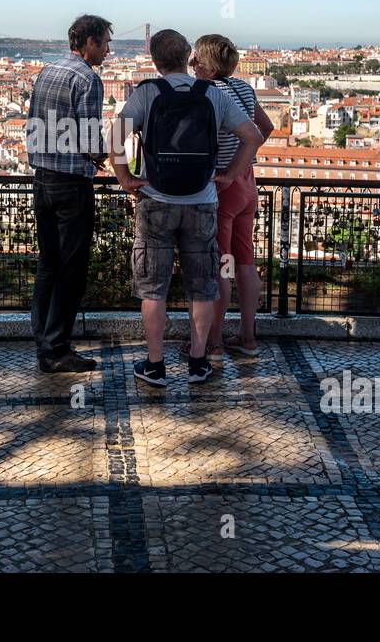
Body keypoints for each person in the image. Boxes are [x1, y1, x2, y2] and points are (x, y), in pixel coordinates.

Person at [110, 29, 264, 386]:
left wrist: (125, 178)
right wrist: (229, 175)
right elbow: (254, 137)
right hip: (204, 202)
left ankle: (155, 365)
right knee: (203, 286)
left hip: (156, 201)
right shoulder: (212, 94)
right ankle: (198, 363)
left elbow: (115, 136)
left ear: (155, 61)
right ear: (187, 58)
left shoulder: (147, 92)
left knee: (153, 288)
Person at [26, 14, 112, 373]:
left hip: (42, 180)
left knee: (48, 263)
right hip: (72, 185)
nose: (108, 50)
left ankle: (43, 339)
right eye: (105, 42)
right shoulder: (88, 79)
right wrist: (105, 157)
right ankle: (57, 348)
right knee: (72, 268)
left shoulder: (46, 72)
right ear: (89, 42)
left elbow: (33, 124)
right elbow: (91, 139)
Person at [189, 34, 274, 360]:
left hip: (223, 187)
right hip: (247, 184)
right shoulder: (244, 88)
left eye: (196, 60)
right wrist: (243, 163)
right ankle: (248, 338)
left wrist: (225, 170)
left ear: (209, 67)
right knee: (246, 263)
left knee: (221, 267)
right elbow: (264, 128)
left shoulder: (208, 93)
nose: (192, 65)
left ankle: (214, 344)